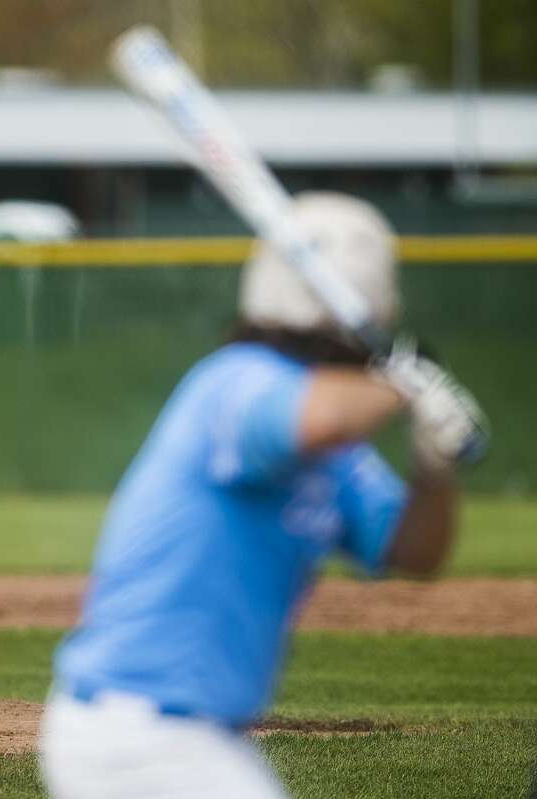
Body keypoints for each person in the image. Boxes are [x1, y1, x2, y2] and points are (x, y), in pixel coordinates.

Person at [39, 193, 487, 798]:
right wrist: (406, 383)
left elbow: (415, 554)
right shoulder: (237, 380)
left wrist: (433, 465)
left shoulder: (340, 455)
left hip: (194, 738)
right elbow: (319, 417)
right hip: (135, 732)